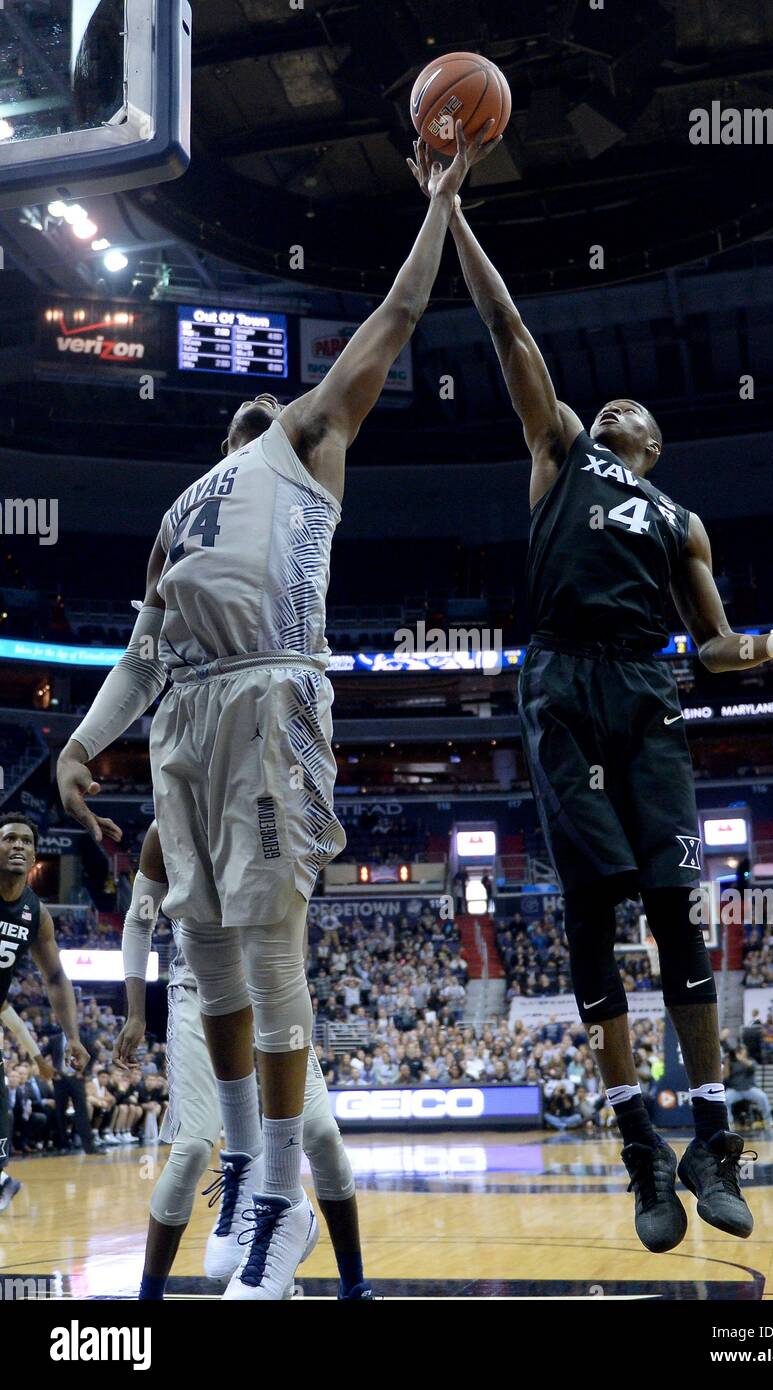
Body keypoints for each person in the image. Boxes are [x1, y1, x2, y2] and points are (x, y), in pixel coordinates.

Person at [57, 125, 498, 1298]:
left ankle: (277, 1200)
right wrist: (83, 741)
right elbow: (142, 649)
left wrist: (440, 207)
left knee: (266, 940)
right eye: (250, 403)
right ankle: (257, 1181)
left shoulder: (304, 440)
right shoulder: (182, 506)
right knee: (206, 939)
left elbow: (393, 321)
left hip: (271, 688)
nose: (265, 404)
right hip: (184, 717)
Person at [406, 144, 773, 1254]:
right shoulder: (555, 447)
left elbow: (712, 647)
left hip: (647, 690)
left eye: (630, 413)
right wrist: (452, 209)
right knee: (593, 920)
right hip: (560, 680)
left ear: (653, 446)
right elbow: (510, 332)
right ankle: (640, 1149)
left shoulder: (679, 519)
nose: (612, 408)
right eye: (604, 407)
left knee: (674, 910)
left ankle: (712, 1137)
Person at [115, 821, 372, 1300]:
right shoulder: (163, 829)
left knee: (320, 1134)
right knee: (192, 1149)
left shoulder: (271, 813)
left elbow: (298, 916)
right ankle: (150, 1294)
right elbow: (139, 919)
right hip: (196, 994)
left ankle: (354, 1283)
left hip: (269, 990)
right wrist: (135, 1011)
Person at [0, 815, 91, 1210]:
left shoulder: (35, 914)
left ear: (35, 853)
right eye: (8, 839)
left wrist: (72, 1036)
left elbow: (55, 977)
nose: (17, 845)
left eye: (25, 841)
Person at [724, 1046, 773, 1129]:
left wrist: (741, 1059)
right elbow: (726, 1076)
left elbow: (753, 1067)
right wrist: (727, 1062)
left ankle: (768, 1121)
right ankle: (729, 1123)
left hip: (749, 1089)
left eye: (742, 1050)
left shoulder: (750, 1060)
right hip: (735, 1090)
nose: (739, 1052)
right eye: (738, 1051)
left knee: (763, 1097)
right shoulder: (732, 1062)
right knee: (724, 1099)